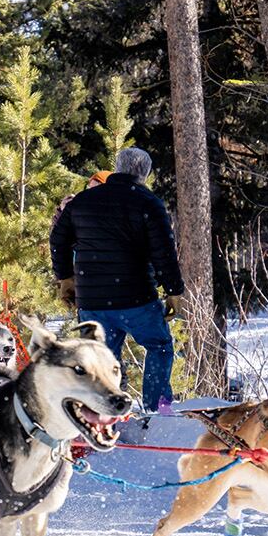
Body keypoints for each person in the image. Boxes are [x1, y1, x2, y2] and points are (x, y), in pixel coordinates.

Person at [48, 146, 184, 417]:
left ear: (117, 167)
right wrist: (173, 291)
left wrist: (65, 278)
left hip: (92, 302)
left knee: (100, 359)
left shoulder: (83, 201)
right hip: (136, 299)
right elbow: (163, 252)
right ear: (144, 174)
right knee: (158, 346)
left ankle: (102, 414)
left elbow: (58, 239)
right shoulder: (148, 203)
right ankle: (157, 409)